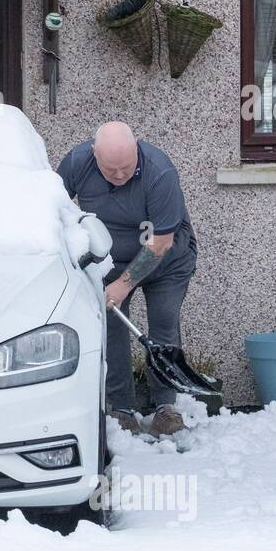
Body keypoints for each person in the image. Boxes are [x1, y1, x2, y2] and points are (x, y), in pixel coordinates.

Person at [58, 121, 197, 438]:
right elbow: (54, 207)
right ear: (94, 155)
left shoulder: (159, 171)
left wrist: (122, 286)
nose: (120, 175)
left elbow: (161, 242)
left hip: (167, 260)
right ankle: (121, 409)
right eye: (111, 169)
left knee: (163, 322)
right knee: (113, 327)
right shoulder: (77, 163)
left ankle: (166, 407)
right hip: (111, 260)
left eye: (126, 168)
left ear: (137, 149)